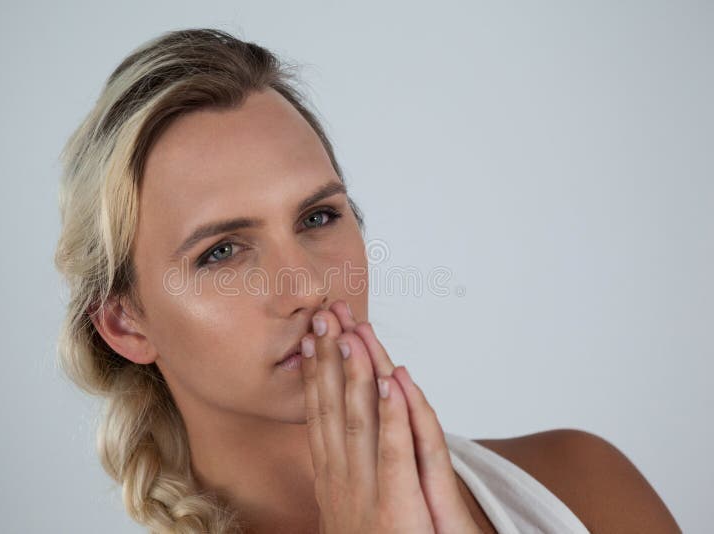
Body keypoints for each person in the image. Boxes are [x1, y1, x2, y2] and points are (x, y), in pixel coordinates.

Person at [53, 28, 681, 534]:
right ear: (125, 322)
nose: (306, 287)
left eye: (318, 216)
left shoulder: (580, 483)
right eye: (222, 252)